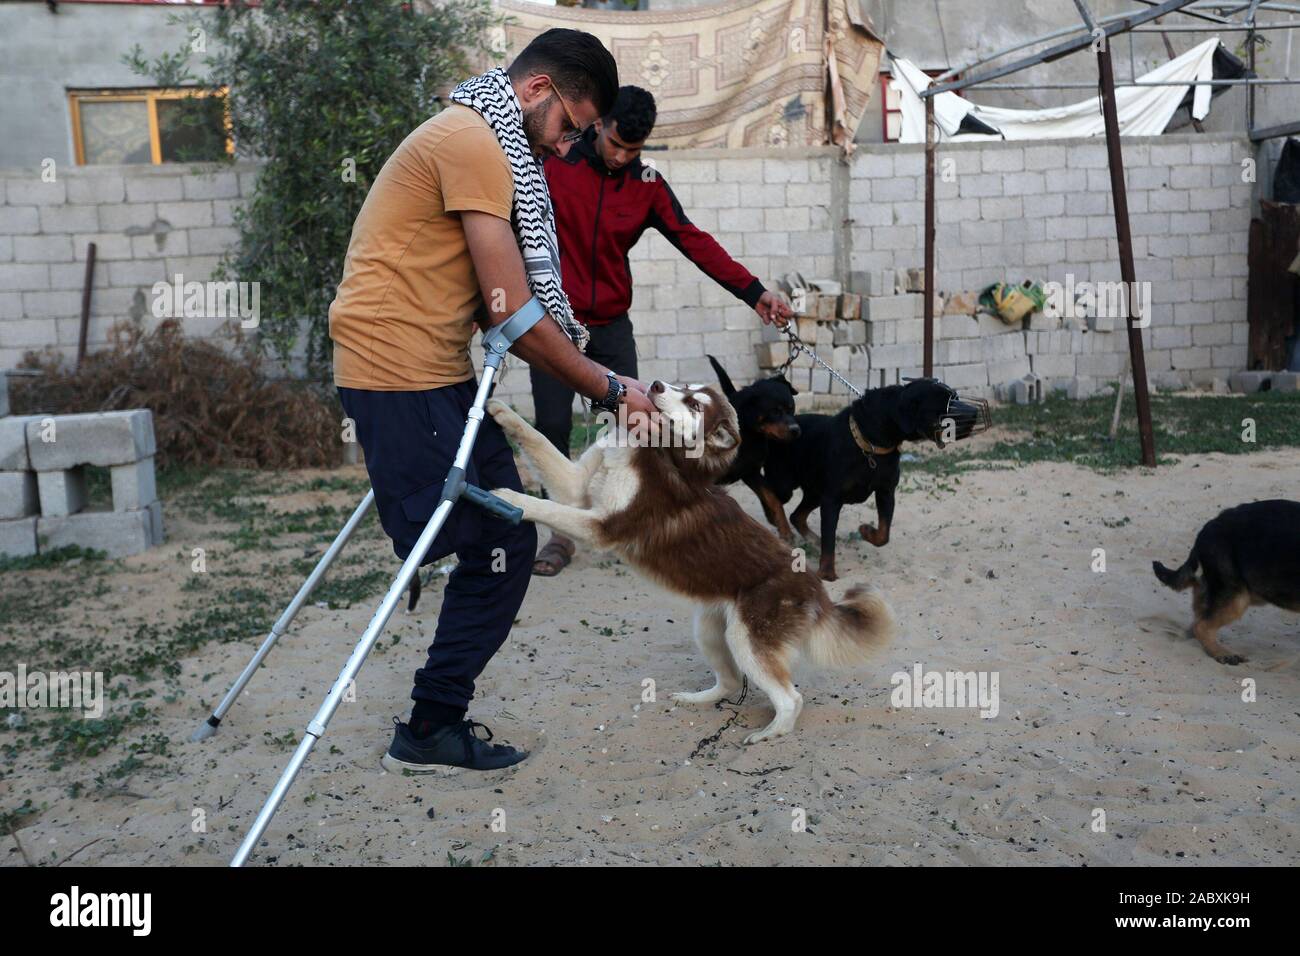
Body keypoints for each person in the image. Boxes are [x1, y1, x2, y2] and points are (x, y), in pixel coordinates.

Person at [328, 29, 655, 773]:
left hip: (434, 368)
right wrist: (609, 386)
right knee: (500, 543)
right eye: (572, 125)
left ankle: (434, 715)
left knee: (500, 534)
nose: (571, 147)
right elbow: (510, 311)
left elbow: (492, 297)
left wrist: (596, 375)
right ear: (538, 92)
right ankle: (428, 728)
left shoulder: (490, 140)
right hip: (396, 368)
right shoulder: (472, 140)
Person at [529, 85, 793, 576]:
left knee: (636, 427)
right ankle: (560, 539)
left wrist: (755, 293)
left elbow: (694, 240)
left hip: (610, 326)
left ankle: (634, 522)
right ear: (600, 125)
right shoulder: (554, 164)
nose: (622, 156)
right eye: (615, 143)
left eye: (634, 149)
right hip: (552, 325)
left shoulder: (647, 183)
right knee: (553, 427)